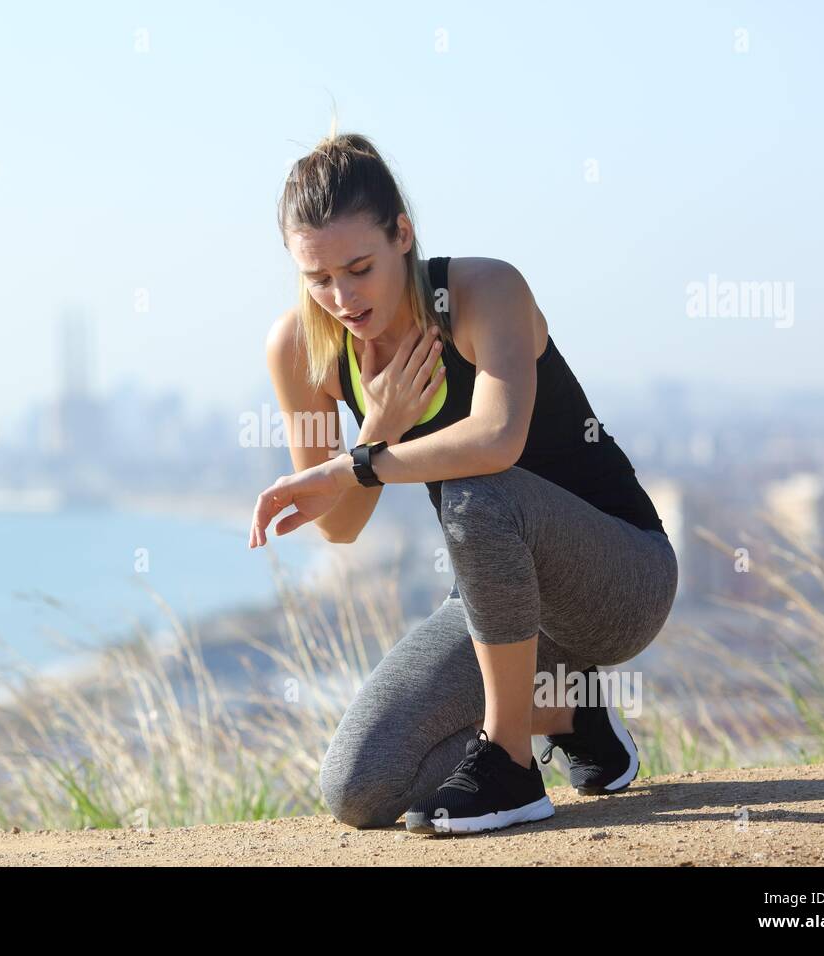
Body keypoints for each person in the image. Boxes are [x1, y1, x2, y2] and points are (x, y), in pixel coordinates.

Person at [250, 131, 678, 837]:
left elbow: (496, 439)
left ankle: (511, 766)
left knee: (478, 491)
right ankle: (572, 713)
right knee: (357, 789)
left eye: (359, 268)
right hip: (496, 600)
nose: (341, 297)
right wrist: (375, 429)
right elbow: (340, 526)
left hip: (621, 580)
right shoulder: (301, 348)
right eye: (317, 279)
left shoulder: (485, 292)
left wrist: (355, 465)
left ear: (403, 236)